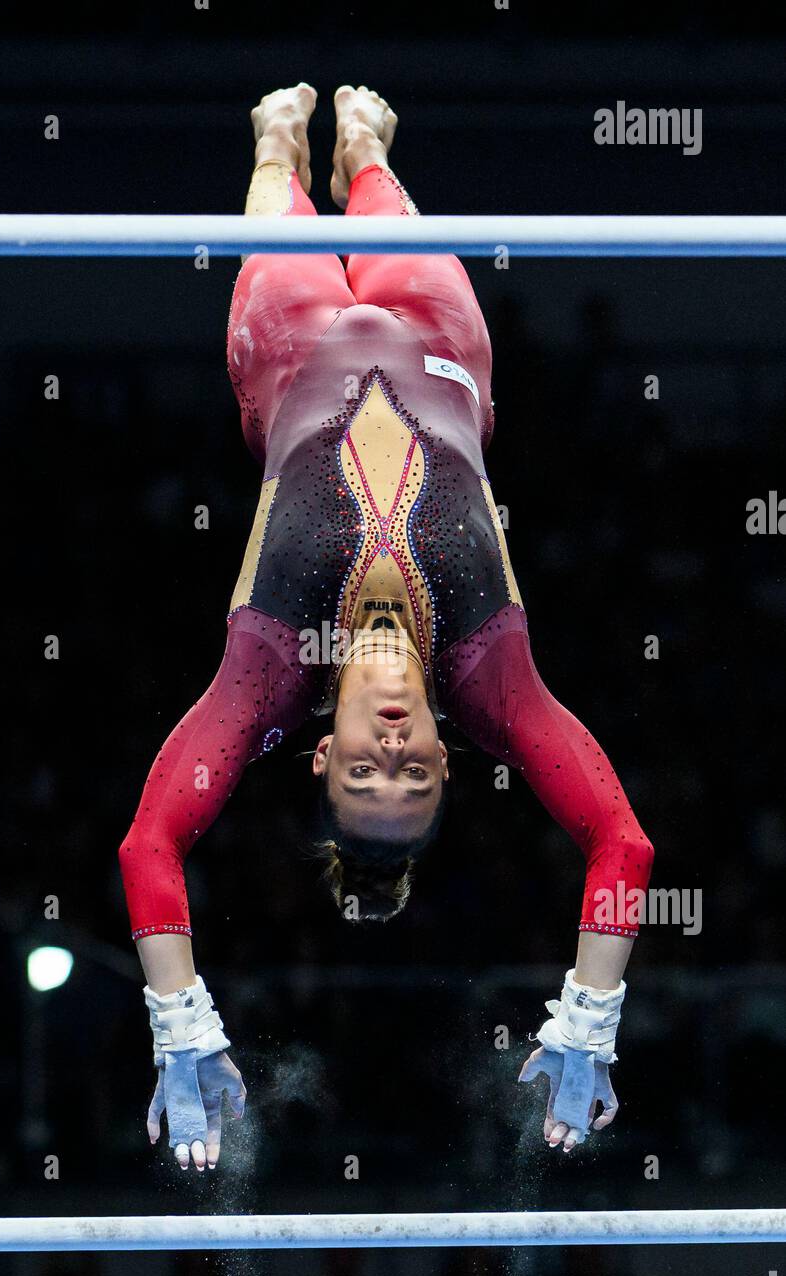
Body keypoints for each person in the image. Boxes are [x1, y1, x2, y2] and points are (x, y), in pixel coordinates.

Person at [119, 84, 654, 1171]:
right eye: (413, 778)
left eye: (365, 774)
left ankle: (273, 143)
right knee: (373, 172)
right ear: (449, 762)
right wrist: (588, 1018)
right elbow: (623, 842)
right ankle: (364, 149)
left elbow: (149, 843)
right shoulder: (490, 670)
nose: (395, 751)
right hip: (438, 349)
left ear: (320, 751)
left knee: (277, 191)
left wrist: (178, 1029)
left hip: (288, 356)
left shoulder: (265, 667)